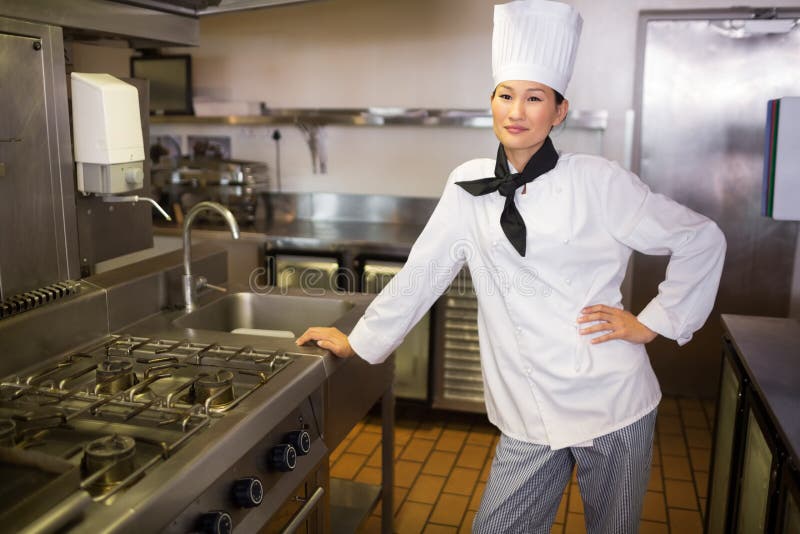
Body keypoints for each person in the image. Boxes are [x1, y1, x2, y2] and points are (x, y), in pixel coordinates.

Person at [297, 1, 726, 532]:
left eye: (534, 97)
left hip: (612, 403)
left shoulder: (599, 181)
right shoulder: (468, 185)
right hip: (528, 410)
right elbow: (422, 275)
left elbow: (700, 238)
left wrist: (654, 322)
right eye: (506, 95)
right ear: (492, 102)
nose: (517, 111)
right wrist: (358, 341)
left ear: (559, 111)